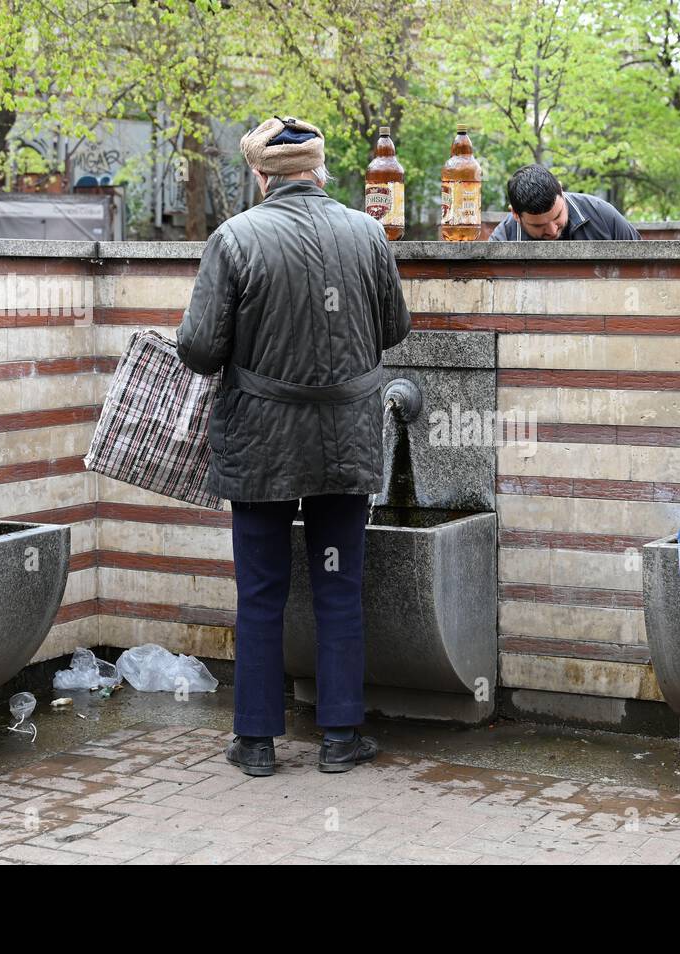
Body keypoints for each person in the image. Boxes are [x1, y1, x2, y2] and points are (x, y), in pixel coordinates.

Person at [176, 115, 411, 777]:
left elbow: (198, 350)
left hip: (259, 441)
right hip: (346, 437)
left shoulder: (235, 238)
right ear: (320, 169)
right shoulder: (366, 234)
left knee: (261, 591)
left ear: (260, 175)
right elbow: (394, 328)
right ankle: (340, 737)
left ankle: (255, 743)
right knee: (338, 585)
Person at [489, 163, 640, 241]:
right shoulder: (502, 239)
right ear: (515, 215)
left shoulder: (603, 215)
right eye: (538, 225)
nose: (552, 231)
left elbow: (642, 265)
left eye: (557, 216)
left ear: (561, 191)